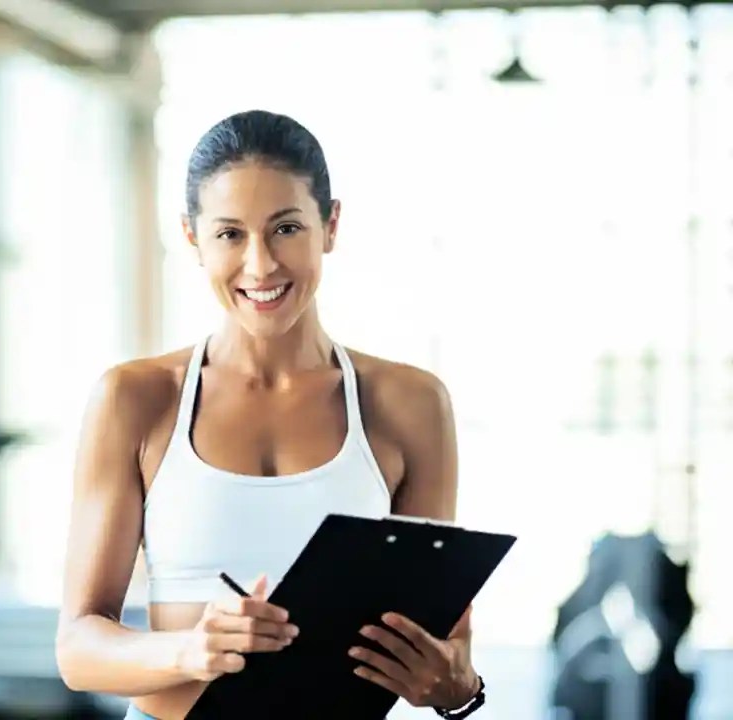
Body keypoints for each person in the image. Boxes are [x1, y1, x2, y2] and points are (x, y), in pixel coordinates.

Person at [55, 110, 485, 719]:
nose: (261, 265)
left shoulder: (410, 404)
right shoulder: (136, 399)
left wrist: (455, 686)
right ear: (192, 238)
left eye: (285, 228)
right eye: (230, 234)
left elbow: (450, 641)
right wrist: (190, 652)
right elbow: (77, 649)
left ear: (330, 225)